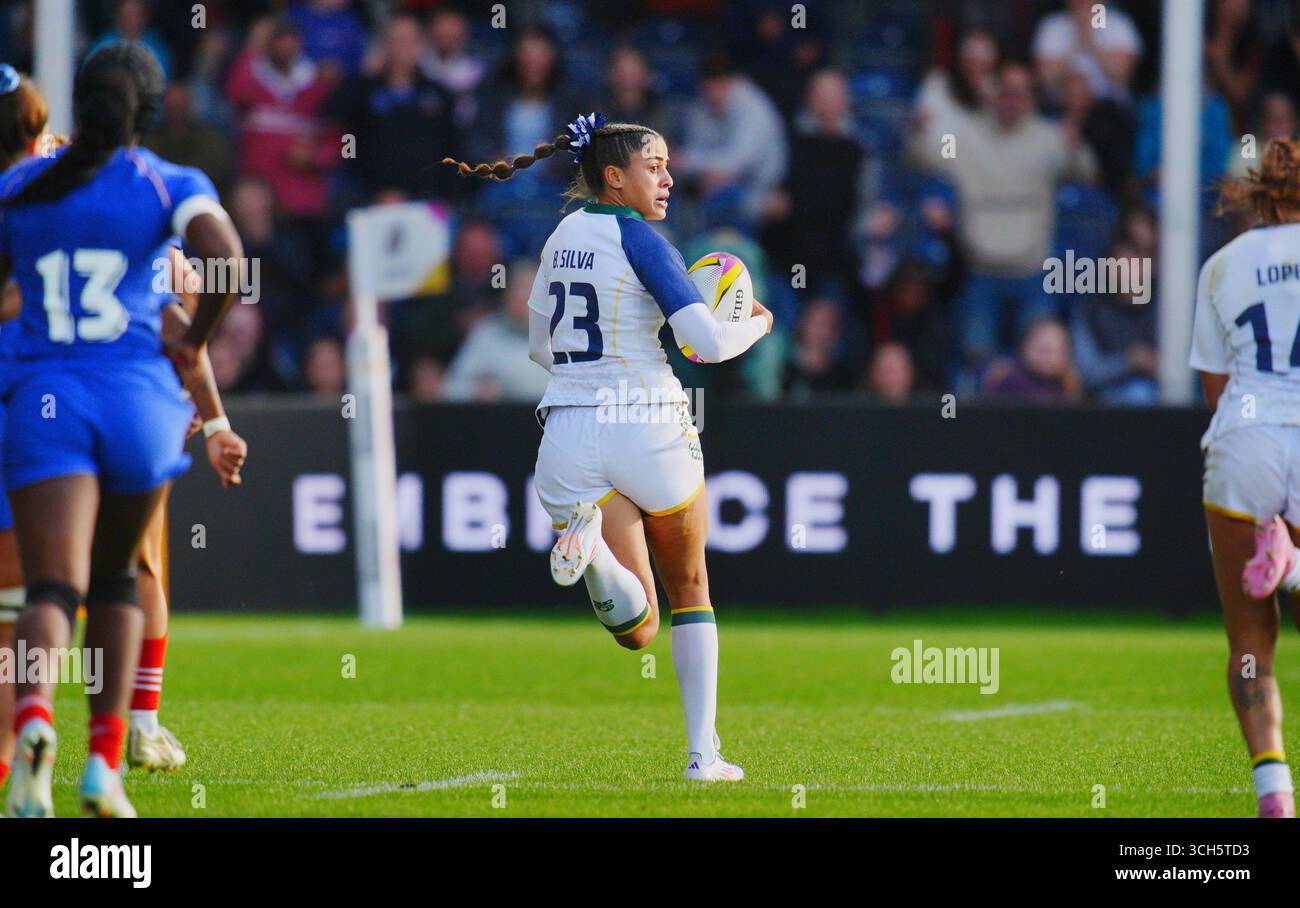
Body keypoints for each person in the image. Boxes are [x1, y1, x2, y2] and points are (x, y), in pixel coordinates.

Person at [442, 113, 773, 781]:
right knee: (690, 587)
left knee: (638, 629)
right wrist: (755, 325)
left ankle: (589, 551)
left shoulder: (561, 235)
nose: (670, 177)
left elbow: (540, 346)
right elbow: (704, 346)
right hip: (645, 420)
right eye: (656, 166)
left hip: (566, 432)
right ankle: (701, 756)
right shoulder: (644, 240)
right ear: (616, 177)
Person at [0, 43, 243, 817]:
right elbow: (226, 260)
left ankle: (35, 719)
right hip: (141, 402)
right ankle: (105, 762)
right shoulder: (169, 182)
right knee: (117, 584)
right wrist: (194, 339)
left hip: (48, 402)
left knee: (48, 589)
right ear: (149, 108)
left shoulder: (21, 184)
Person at [1193, 138, 1300, 818]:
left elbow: (1214, 388)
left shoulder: (1223, 265)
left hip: (1245, 438)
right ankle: (1292, 566)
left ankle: (1273, 791)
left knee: (1250, 641)